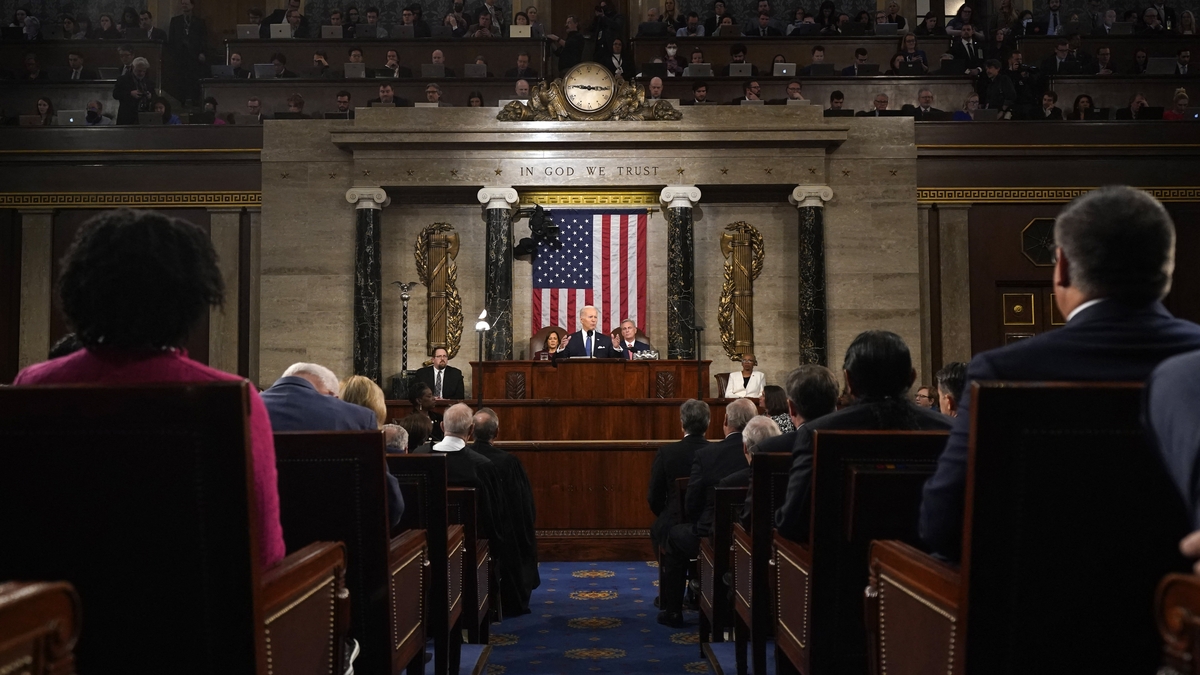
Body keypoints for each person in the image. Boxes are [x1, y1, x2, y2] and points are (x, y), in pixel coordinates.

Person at [920, 186, 1200, 562]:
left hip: (1036, 607)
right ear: (1167, 266)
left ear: (1062, 266)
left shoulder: (1004, 371)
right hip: (1182, 600)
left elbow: (942, 524)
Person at [14, 209, 287, 568]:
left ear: (78, 288)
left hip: (54, 615)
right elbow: (264, 552)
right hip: (194, 615)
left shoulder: (33, 385)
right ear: (193, 298)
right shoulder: (229, 397)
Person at [776, 331, 952, 543]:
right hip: (928, 565)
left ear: (848, 380)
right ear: (912, 377)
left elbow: (791, 523)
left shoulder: (816, 433)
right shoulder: (950, 430)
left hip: (843, 569)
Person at [658, 398, 757, 627]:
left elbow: (691, 503)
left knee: (674, 536)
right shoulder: (762, 451)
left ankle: (673, 610)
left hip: (712, 535)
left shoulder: (708, 456)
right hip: (753, 536)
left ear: (725, 421)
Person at [470, 407, 540, 615]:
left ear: (472, 431)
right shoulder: (507, 462)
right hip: (505, 535)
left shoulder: (464, 458)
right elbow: (523, 507)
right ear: (497, 432)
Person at [648, 399, 711, 559]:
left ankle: (671, 582)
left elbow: (654, 497)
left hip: (673, 521)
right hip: (708, 523)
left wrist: (668, 513)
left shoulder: (667, 453)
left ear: (682, 423)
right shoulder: (716, 453)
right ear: (708, 423)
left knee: (661, 530)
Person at [167, 0, 208, 105]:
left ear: (192, 5)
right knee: (180, 81)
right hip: (179, 57)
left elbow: (204, 39)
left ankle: (194, 101)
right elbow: (171, 40)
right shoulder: (175, 21)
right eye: (183, 3)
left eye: (186, 3)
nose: (184, 5)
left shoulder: (199, 22)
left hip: (194, 57)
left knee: (194, 81)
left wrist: (202, 53)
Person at [113, 56, 153, 125]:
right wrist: (130, 93)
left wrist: (150, 96)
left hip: (144, 115)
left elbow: (155, 95)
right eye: (139, 71)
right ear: (133, 68)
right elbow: (115, 94)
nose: (142, 73)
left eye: (144, 71)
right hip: (127, 116)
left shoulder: (148, 81)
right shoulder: (123, 79)